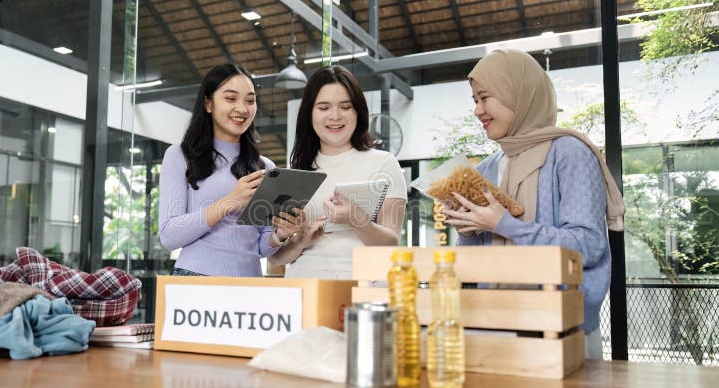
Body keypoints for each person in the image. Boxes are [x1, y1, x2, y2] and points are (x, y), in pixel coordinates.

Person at [441, 49, 626, 359]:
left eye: (485, 97)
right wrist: (468, 229)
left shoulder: (570, 153)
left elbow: (589, 245)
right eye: (475, 100)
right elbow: (477, 261)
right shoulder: (486, 168)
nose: (478, 111)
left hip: (563, 331)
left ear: (519, 94)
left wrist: (504, 224)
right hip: (494, 326)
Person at [158, 64, 302, 277]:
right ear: (208, 104)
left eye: (250, 100)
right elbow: (169, 236)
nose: (243, 109)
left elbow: (260, 248)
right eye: (231, 98)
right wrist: (230, 201)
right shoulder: (179, 155)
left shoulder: (265, 167)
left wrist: (280, 235)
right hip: (196, 280)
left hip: (249, 284)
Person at [268, 66, 408, 279]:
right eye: (323, 107)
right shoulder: (296, 172)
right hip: (304, 286)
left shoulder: (384, 164)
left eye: (345, 106)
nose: (335, 116)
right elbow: (275, 258)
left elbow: (391, 244)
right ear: (310, 114)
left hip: (362, 288)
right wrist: (301, 241)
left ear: (357, 111)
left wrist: (356, 219)